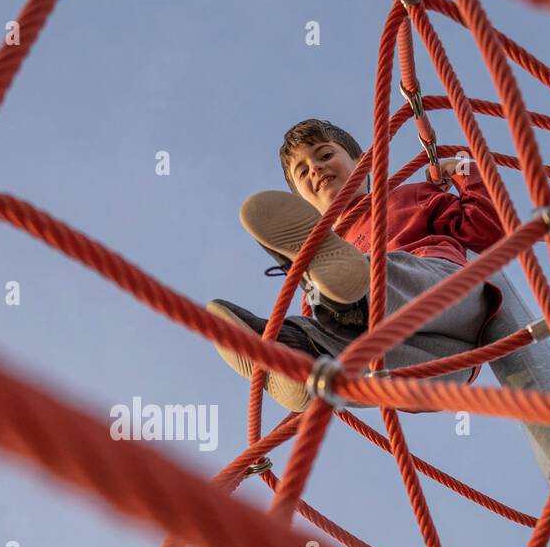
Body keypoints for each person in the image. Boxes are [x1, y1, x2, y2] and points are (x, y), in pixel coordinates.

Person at [206, 118, 511, 412]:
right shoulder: (325, 259)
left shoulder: (408, 196)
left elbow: (488, 227)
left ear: (362, 162)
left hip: (451, 307)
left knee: (374, 273)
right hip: (426, 370)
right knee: (344, 356)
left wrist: (462, 169)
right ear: (300, 201)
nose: (316, 168)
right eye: (303, 171)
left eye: (325, 155)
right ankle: (298, 357)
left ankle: (355, 298)